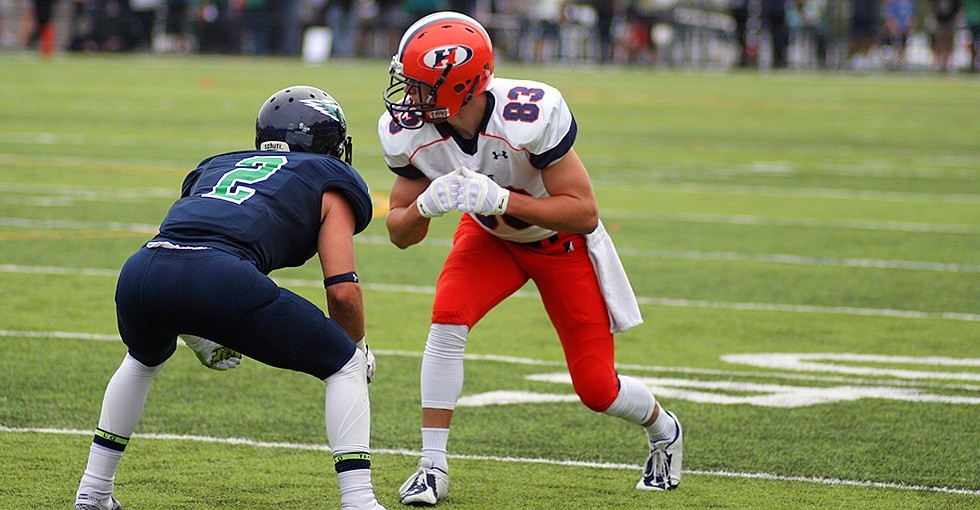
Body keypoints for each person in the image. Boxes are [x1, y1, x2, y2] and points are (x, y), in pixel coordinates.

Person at [378, 11, 682, 506]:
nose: (408, 97)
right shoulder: (412, 131)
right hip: (488, 240)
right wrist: (424, 206)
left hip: (558, 244)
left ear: (458, 87)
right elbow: (399, 232)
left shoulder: (528, 115)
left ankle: (663, 428)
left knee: (597, 388)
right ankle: (431, 466)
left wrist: (501, 200)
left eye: (420, 86)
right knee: (447, 321)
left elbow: (583, 213)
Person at [73, 86, 385, 510]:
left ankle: (93, 491)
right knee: (344, 365)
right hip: (219, 276)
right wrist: (358, 347)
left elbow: (184, 251)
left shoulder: (216, 165)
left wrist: (199, 333)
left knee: (141, 360)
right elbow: (344, 293)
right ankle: (360, 502)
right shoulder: (328, 179)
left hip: (142, 270)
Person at [929, 0, 963, 71]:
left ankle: (947, 63)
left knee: (949, 42)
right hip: (938, 21)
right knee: (937, 42)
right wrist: (934, 19)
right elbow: (931, 6)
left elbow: (958, 7)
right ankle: (937, 62)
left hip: (950, 21)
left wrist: (954, 21)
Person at [883, 0, 915, 71]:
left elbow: (911, 17)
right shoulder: (893, 3)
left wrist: (909, 27)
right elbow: (889, 16)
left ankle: (900, 64)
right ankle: (891, 64)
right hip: (894, 30)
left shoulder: (910, 3)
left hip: (904, 29)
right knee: (893, 46)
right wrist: (893, 28)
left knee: (902, 47)